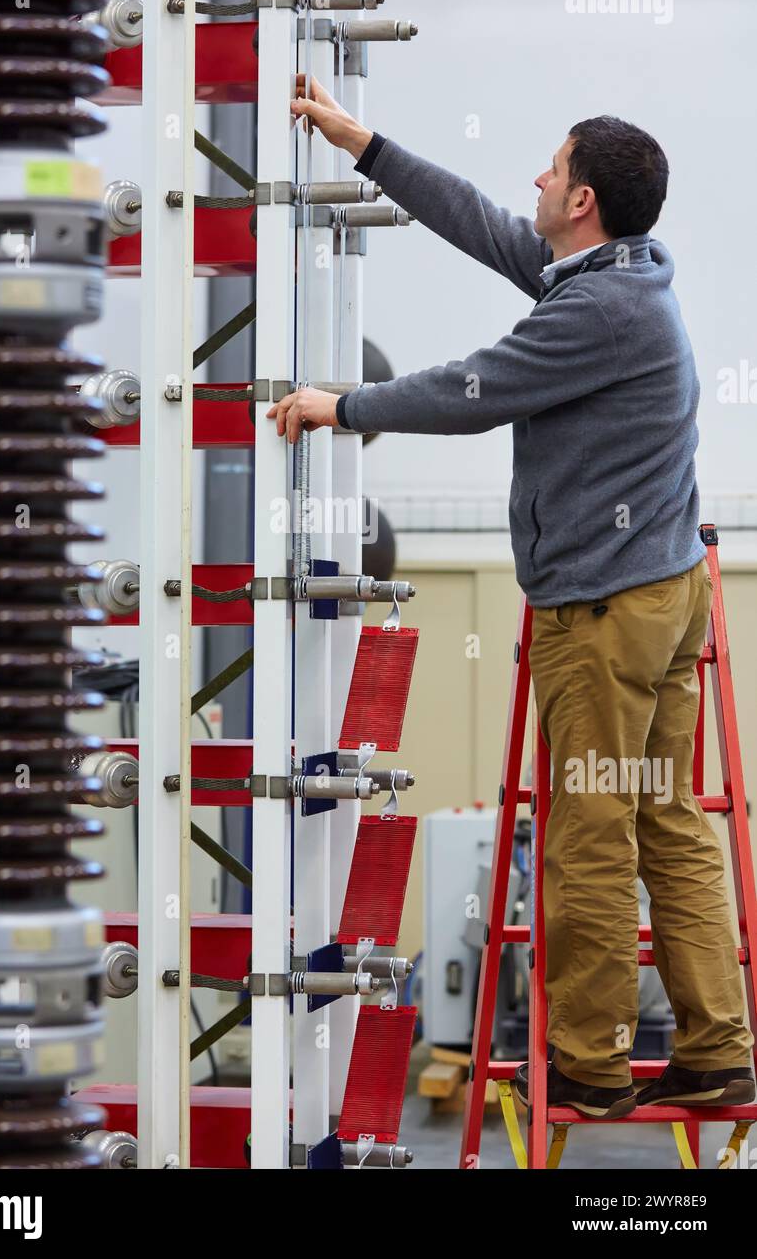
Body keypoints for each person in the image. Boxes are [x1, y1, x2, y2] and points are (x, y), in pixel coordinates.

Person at [267, 76, 755, 1119]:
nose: (535, 177)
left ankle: (588, 1061)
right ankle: (717, 1048)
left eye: (552, 165)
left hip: (605, 614)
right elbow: (481, 224)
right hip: (664, 600)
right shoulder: (611, 273)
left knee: (588, 830)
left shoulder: (595, 316)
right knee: (665, 818)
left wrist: (339, 404)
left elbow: (466, 390)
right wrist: (365, 143)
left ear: (580, 200)